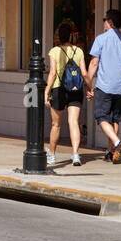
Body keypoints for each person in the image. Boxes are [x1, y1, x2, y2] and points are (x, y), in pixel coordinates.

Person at [87, 8, 121, 163]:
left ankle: (117, 143)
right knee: (115, 119)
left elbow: (94, 63)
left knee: (101, 117)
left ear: (110, 22)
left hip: (105, 86)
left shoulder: (101, 39)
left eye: (105, 21)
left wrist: (88, 84)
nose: (104, 24)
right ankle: (112, 152)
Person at [46, 22, 87, 167]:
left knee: (56, 124)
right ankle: (75, 154)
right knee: (73, 122)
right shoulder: (79, 51)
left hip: (59, 89)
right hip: (75, 90)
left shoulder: (54, 51)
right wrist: (89, 88)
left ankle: (51, 155)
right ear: (71, 35)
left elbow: (52, 73)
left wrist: (46, 91)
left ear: (58, 36)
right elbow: (84, 73)